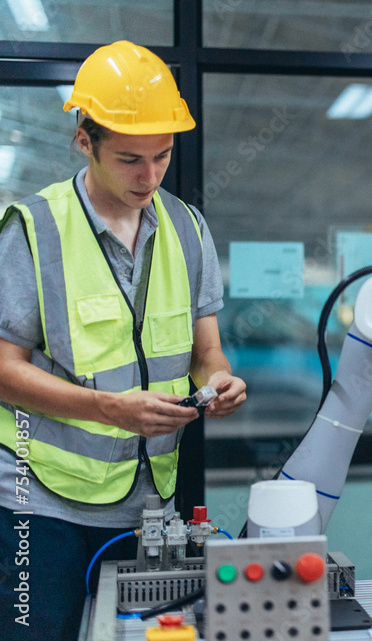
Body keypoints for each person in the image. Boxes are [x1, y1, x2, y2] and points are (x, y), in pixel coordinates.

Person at [0, 41, 246, 640]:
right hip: (40, 505)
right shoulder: (34, 228)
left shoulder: (188, 229)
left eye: (162, 157)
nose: (150, 176)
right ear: (84, 140)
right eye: (131, 158)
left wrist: (219, 383)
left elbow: (205, 354)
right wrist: (107, 408)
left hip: (147, 507)